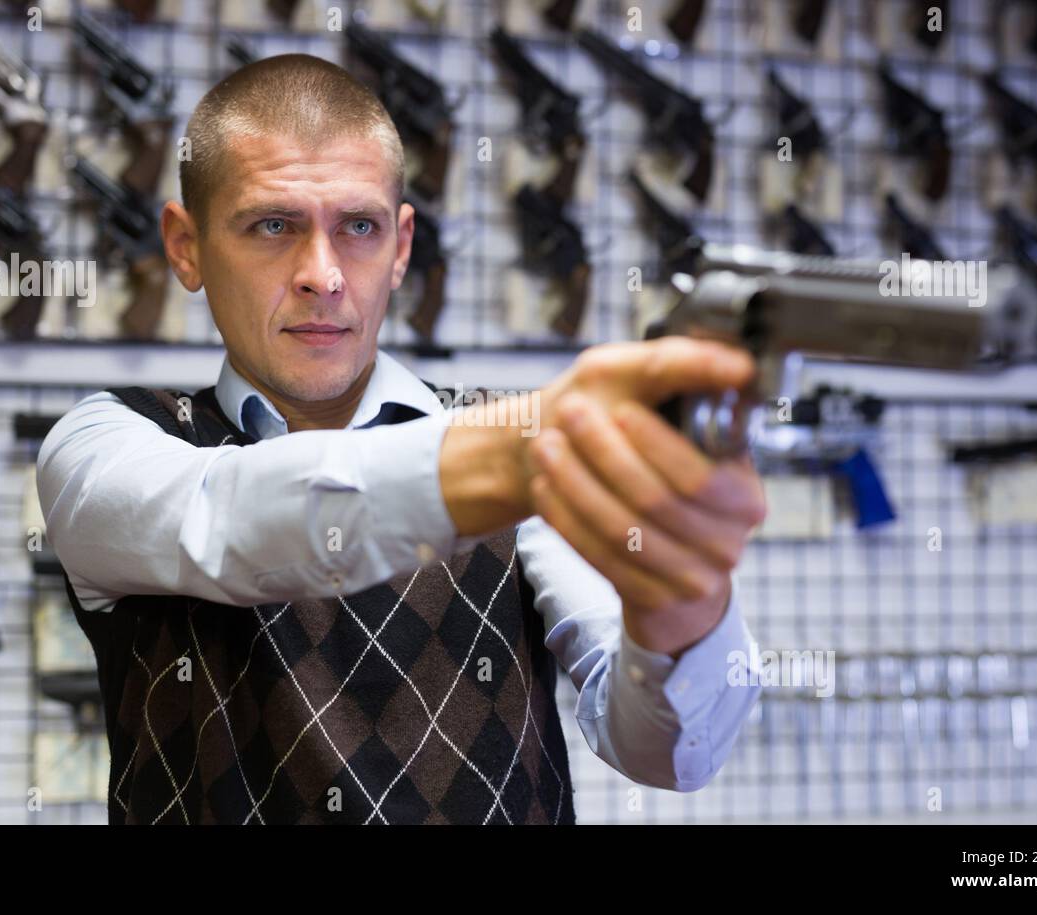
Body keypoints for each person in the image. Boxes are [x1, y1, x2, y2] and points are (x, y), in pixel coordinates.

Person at [37, 53, 767, 825]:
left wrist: (684, 588)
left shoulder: (517, 455)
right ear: (185, 247)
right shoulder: (105, 444)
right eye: (273, 225)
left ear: (402, 246)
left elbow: (670, 752)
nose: (322, 273)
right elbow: (231, 520)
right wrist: (532, 450)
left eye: (358, 227)